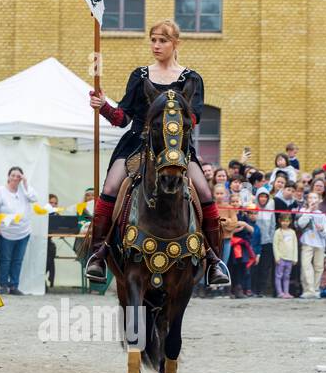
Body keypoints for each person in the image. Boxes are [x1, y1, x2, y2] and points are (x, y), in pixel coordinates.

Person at [85, 20, 229, 287]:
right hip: (138, 143)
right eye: (153, 40)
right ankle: (99, 253)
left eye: (162, 40)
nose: (156, 45)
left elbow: (193, 118)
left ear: (176, 43)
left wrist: (172, 127)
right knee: (111, 186)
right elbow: (122, 119)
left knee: (205, 193)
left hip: (176, 148)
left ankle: (213, 260)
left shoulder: (191, 79)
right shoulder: (140, 76)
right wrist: (103, 105)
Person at [0, 166, 37, 295]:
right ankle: (3, 285)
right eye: (13, 175)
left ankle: (14, 286)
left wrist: (26, 183)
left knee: (18, 260)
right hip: (5, 232)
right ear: (8, 176)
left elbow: (34, 198)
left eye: (18, 176)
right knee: (5, 260)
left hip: (23, 232)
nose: (15, 178)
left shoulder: (25, 190)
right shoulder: (0, 191)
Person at [295, 191, 326, 299]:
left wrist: (322, 229)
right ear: (307, 200)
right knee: (306, 265)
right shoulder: (304, 211)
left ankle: (315, 289)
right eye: (311, 198)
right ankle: (308, 289)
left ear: (319, 200)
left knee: (319, 267)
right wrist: (309, 211)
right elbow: (300, 224)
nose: (313, 200)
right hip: (307, 242)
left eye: (315, 198)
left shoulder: (322, 215)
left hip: (319, 243)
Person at [273, 211, 298, 299]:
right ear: (280, 221)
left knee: (287, 276)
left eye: (287, 221)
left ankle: (286, 292)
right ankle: (280, 292)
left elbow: (295, 245)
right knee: (279, 275)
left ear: (290, 221)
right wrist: (277, 257)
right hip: (281, 258)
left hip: (290, 258)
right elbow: (275, 245)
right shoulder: (278, 232)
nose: (285, 223)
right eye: (283, 221)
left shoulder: (292, 232)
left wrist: (295, 258)